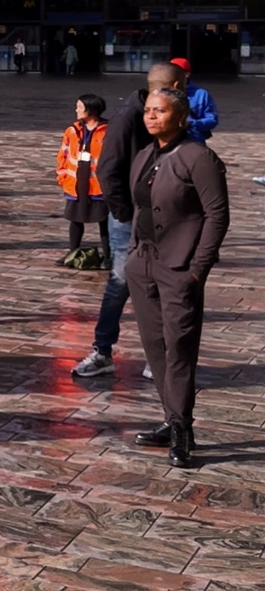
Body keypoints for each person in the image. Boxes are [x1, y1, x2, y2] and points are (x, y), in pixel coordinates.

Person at [125, 87, 229, 469]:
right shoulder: (143, 156)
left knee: (179, 349)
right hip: (144, 266)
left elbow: (217, 216)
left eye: (161, 111)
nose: (151, 116)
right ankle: (170, 420)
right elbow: (139, 208)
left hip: (179, 268)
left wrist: (198, 269)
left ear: (181, 116)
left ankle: (183, 427)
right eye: (149, 110)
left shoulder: (198, 157)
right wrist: (134, 255)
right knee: (156, 350)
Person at [76, 61, 187, 380]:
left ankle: (159, 355)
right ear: (176, 86)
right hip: (131, 218)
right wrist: (126, 214)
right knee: (121, 281)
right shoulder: (129, 117)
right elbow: (107, 170)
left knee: (163, 285)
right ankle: (102, 350)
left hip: (165, 216)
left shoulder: (173, 114)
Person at [57, 94, 110, 263]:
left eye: (79, 107)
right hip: (76, 183)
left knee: (104, 222)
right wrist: (62, 176)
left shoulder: (108, 130)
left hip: (98, 186)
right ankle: (73, 253)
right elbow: (63, 154)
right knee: (75, 219)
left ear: (91, 110)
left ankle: (109, 256)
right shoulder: (72, 130)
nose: (76, 110)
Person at [169, 58, 218, 141]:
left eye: (177, 72)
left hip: (193, 141)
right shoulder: (160, 93)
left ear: (187, 74)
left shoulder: (201, 94)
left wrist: (192, 123)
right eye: (170, 72)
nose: (173, 75)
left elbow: (212, 120)